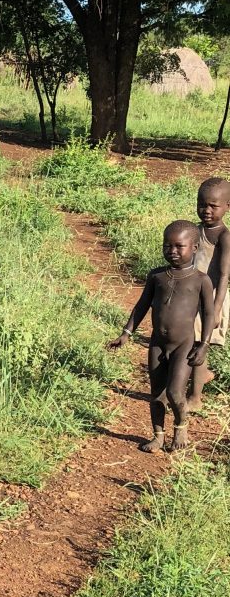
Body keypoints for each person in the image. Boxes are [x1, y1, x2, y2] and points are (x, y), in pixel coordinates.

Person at [110, 219, 213, 452]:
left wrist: (204, 344)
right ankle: (158, 436)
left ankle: (181, 425)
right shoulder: (157, 276)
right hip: (157, 343)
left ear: (194, 248)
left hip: (184, 345)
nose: (172, 251)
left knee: (175, 392)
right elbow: (141, 306)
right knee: (156, 394)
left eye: (179, 246)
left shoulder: (200, 280)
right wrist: (126, 333)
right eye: (167, 245)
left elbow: (209, 313)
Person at [190, 177, 230, 412]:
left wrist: (215, 309)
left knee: (199, 344)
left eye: (213, 206)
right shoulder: (195, 231)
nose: (206, 210)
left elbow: (224, 275)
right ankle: (201, 374)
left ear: (227, 206)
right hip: (192, 296)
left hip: (213, 298)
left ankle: (195, 398)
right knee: (188, 341)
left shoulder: (224, 237)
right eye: (202, 204)